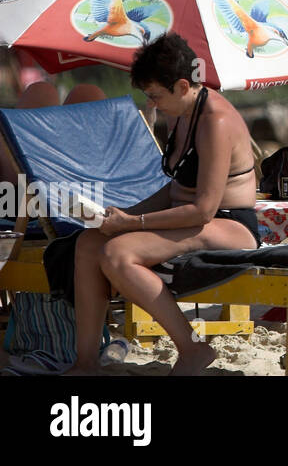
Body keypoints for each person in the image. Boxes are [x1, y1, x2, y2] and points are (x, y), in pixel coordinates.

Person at [68, 34, 260, 375]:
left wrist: (131, 224)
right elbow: (177, 188)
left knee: (117, 253)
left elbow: (203, 209)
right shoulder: (180, 113)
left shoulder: (214, 121)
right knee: (88, 243)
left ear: (183, 85)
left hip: (229, 224)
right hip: (194, 218)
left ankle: (191, 348)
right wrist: (122, 215)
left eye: (156, 95)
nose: (152, 104)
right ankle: (86, 362)